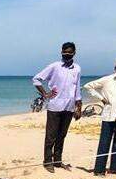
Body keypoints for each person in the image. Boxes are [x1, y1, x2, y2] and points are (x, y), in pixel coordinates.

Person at [33, 42, 82, 172]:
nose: (67, 54)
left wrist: (79, 106)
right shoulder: (54, 66)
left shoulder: (77, 68)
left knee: (62, 135)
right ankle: (48, 161)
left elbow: (77, 88)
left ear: (74, 53)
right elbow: (36, 79)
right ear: (61, 52)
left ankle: (58, 161)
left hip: (69, 107)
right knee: (51, 136)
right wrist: (45, 93)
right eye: (65, 52)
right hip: (55, 106)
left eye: (70, 52)